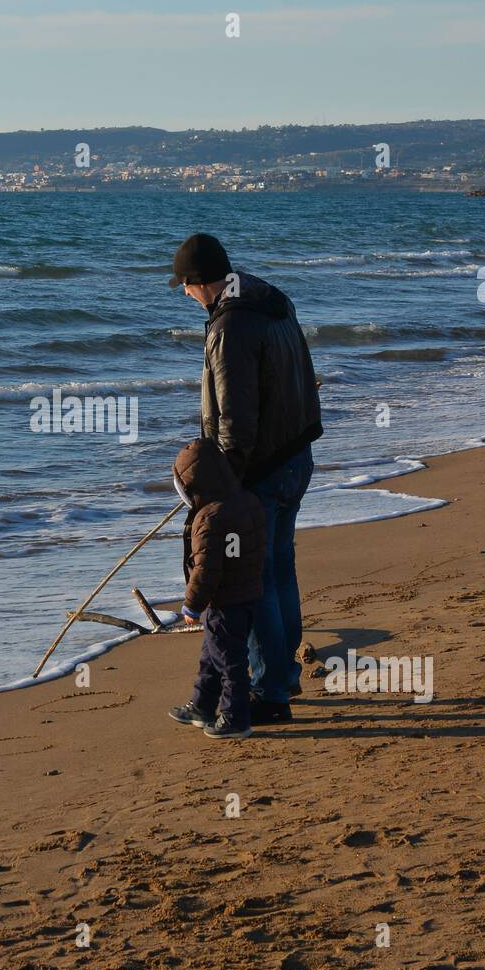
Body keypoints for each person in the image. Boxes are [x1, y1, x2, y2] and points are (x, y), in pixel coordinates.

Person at [169, 232, 322, 725]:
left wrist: (222, 486)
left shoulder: (231, 327)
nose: (186, 295)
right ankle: (282, 677)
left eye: (186, 287)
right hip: (296, 456)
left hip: (259, 471)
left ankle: (269, 691)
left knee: (250, 583)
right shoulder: (270, 299)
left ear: (200, 283)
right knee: (278, 569)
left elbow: (234, 417)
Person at [168, 438, 267, 739]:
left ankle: (236, 718)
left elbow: (207, 569)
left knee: (229, 662)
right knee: (212, 655)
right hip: (248, 593)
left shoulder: (209, 519)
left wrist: (192, 605)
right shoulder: (248, 501)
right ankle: (202, 704)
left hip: (225, 602)